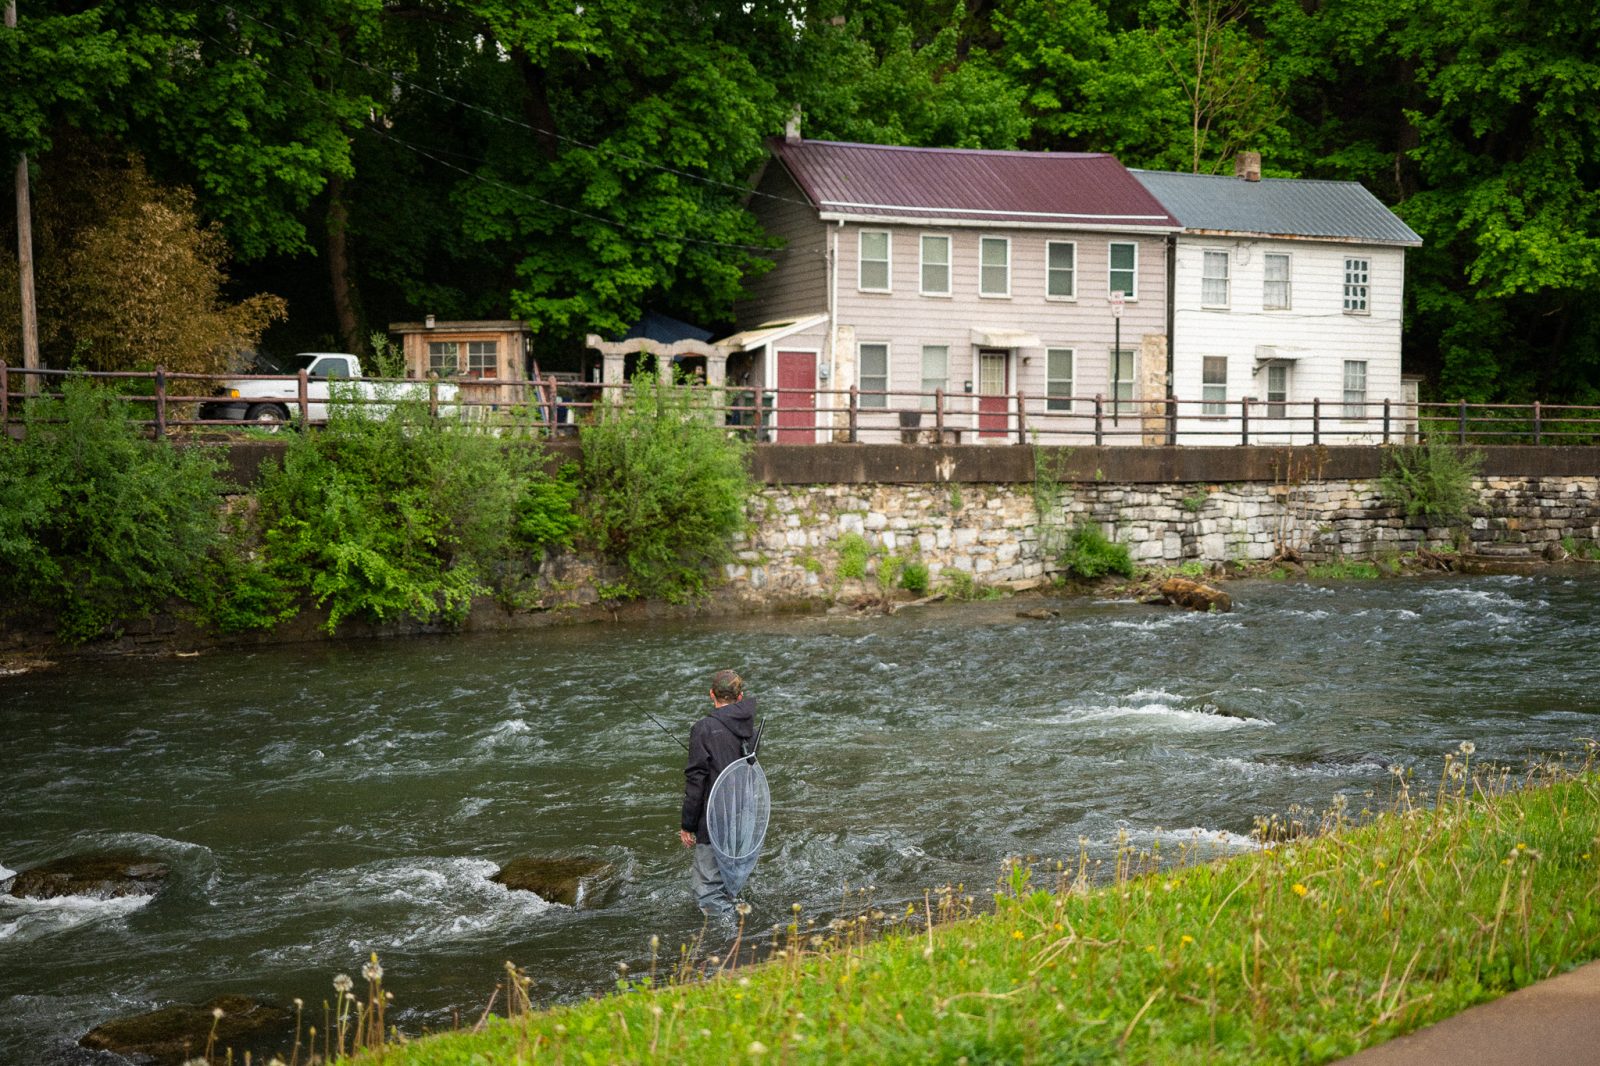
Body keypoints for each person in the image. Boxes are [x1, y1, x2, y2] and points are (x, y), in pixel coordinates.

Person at [678, 669, 757, 919]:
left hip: (713, 820)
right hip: (743, 816)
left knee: (708, 890)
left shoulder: (703, 729)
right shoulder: (751, 730)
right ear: (740, 696)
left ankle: (723, 943)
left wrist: (687, 825)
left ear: (712, 695)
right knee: (730, 882)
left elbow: (696, 780)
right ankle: (739, 922)